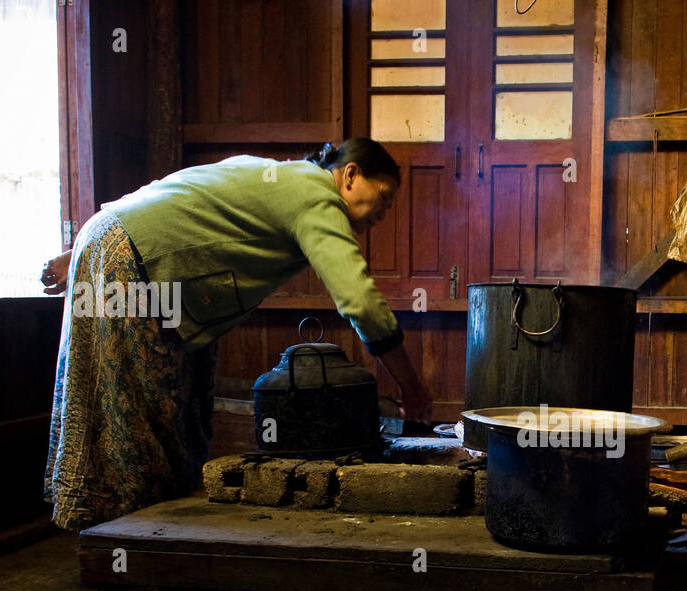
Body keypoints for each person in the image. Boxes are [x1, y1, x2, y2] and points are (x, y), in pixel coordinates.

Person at [40, 137, 433, 531]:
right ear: (350, 175)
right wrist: (411, 387)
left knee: (184, 407)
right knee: (140, 415)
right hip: (127, 261)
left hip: (129, 254)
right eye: (384, 197)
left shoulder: (284, 177)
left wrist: (80, 253)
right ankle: (127, 544)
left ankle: (162, 540)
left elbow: (180, 193)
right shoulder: (317, 194)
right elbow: (359, 301)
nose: (384, 212)